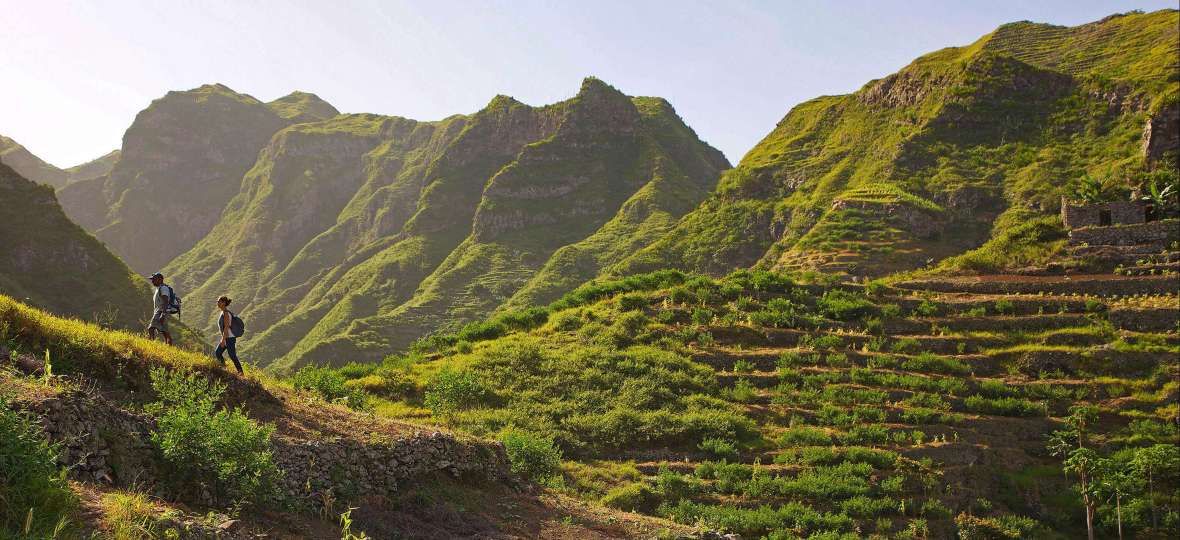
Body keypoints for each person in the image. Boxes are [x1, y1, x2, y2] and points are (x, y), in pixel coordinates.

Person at [215, 296, 244, 375]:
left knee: (232, 356)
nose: (217, 303)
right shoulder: (223, 312)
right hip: (227, 337)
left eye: (219, 301)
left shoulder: (226, 313)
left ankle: (241, 372)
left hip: (229, 338)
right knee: (218, 353)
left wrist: (223, 339)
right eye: (217, 301)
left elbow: (226, 327)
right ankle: (224, 368)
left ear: (224, 303)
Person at [147, 272, 173, 346]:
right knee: (164, 331)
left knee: (151, 328)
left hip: (161, 311)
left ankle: (150, 345)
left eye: (154, 279)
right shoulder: (158, 288)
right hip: (160, 311)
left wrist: (163, 314)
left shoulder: (163, 288)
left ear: (160, 279)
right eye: (152, 280)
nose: (152, 281)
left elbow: (166, 301)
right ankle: (169, 346)